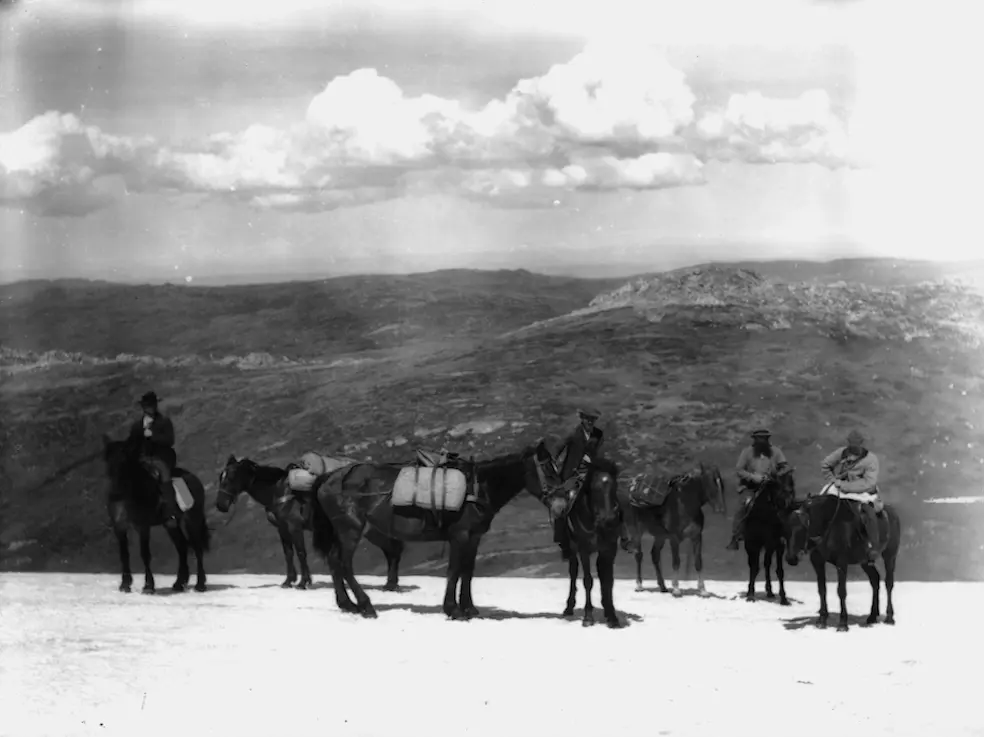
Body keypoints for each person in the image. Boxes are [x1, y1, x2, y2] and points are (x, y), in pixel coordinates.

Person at [820, 429, 881, 562]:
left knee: (867, 513)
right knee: (820, 504)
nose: (854, 445)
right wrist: (833, 480)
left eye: (857, 443)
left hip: (863, 492)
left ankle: (873, 546)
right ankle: (817, 538)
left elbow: (868, 482)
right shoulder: (841, 453)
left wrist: (845, 486)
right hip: (840, 489)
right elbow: (825, 464)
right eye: (851, 443)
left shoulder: (871, 459)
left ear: (861, 443)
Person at [552, 408, 605, 555]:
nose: (590, 422)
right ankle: (562, 538)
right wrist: (554, 466)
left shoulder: (598, 434)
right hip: (572, 475)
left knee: (605, 495)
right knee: (562, 505)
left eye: (592, 420)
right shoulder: (573, 433)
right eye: (587, 419)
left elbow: (598, 453)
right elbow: (558, 448)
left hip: (591, 473)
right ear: (582, 419)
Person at [726, 429, 788, 550]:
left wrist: (774, 474)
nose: (761, 440)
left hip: (771, 486)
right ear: (754, 439)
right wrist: (753, 477)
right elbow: (739, 470)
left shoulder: (776, 451)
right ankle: (735, 537)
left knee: (785, 505)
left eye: (764, 438)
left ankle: (786, 535)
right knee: (742, 508)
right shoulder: (747, 452)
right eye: (759, 438)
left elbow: (784, 466)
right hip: (751, 487)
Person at [128, 391, 179, 527]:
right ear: (143, 407)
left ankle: (171, 512)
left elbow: (170, 440)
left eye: (152, 405)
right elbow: (132, 443)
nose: (150, 408)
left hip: (162, 456)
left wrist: (153, 435)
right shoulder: (137, 426)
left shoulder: (164, 422)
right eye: (147, 406)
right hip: (143, 458)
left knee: (162, 473)